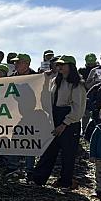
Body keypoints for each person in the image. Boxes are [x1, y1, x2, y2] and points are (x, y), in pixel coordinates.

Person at [29, 55, 86, 189]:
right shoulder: (55, 81)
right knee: (49, 149)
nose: (59, 67)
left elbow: (78, 109)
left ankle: (65, 182)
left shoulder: (77, 85)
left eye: (63, 65)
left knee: (68, 153)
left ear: (71, 66)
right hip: (54, 116)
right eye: (58, 65)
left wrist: (64, 123)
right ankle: (38, 179)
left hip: (69, 120)